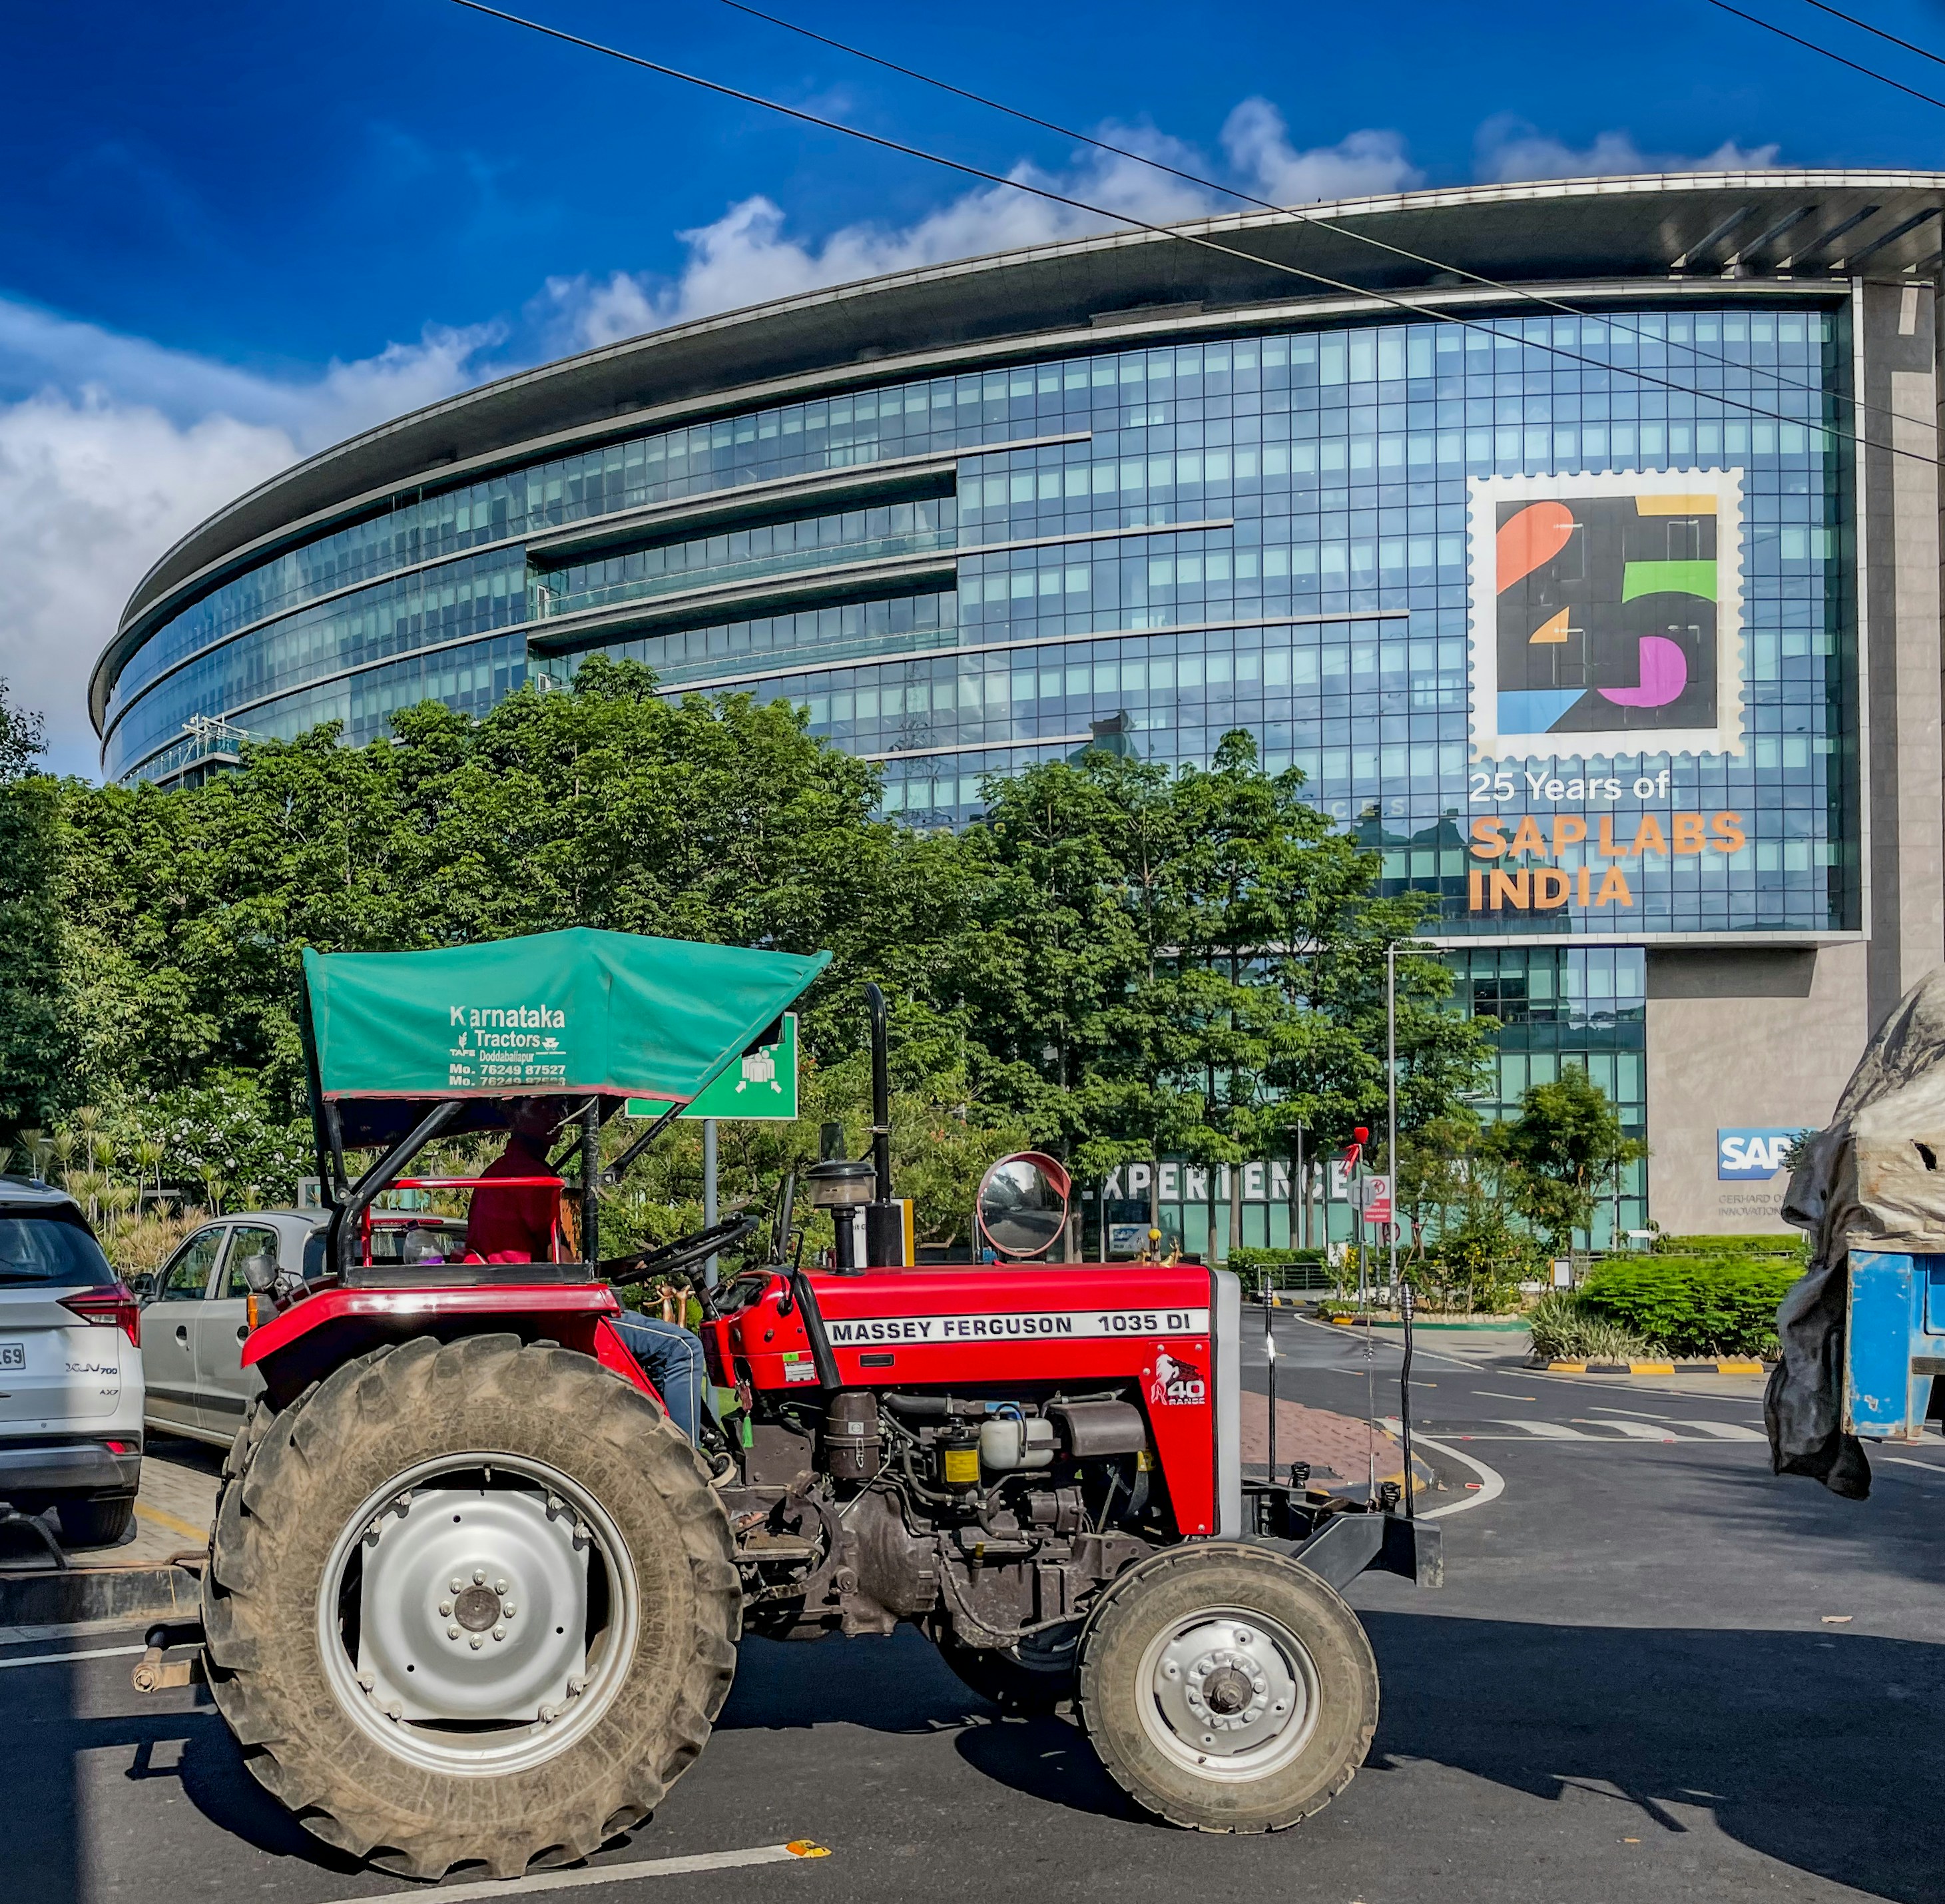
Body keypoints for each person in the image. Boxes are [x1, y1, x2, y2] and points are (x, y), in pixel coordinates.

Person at [467, 1100, 710, 1451]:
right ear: (511, 1114)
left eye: (560, 1107)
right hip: (554, 1314)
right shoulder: (535, 1178)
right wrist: (600, 1273)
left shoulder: (498, 1171)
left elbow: (545, 1253)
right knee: (683, 1347)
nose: (556, 1115)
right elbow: (560, 1261)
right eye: (541, 1106)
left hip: (527, 1295)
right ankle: (691, 1462)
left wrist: (612, 1268)